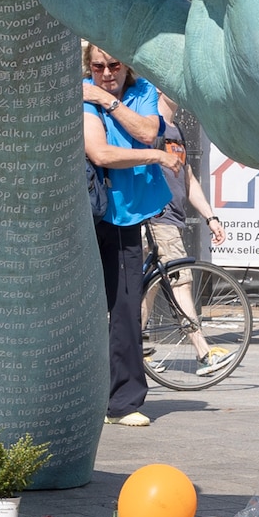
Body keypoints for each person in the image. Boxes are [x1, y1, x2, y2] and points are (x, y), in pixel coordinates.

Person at [84, 44, 186, 427]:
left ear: (126, 67)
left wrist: (107, 102)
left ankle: (123, 401)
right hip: (88, 215)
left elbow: (147, 131)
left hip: (128, 216)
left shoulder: (141, 92)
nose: (106, 74)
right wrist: (159, 157)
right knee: (87, 309)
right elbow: (100, 153)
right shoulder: (81, 93)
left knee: (126, 306)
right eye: (98, 67)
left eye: (114, 66)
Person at [143, 97, 232, 375]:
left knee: (147, 288)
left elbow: (188, 178)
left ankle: (134, 354)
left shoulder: (175, 129)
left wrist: (210, 217)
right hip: (158, 218)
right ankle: (204, 354)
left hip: (167, 219)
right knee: (182, 282)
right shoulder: (150, 125)